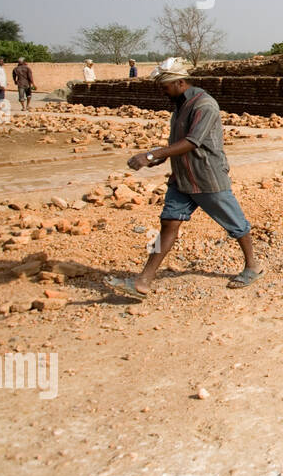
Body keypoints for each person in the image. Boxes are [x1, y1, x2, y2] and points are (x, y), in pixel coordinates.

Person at [104, 58, 260, 299]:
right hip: (181, 178)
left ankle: (252, 265)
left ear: (180, 82)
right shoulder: (180, 105)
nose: (162, 92)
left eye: (165, 87)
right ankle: (142, 280)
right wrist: (162, 157)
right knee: (168, 224)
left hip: (206, 176)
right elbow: (177, 141)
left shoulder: (204, 105)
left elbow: (192, 142)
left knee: (235, 224)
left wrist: (150, 155)